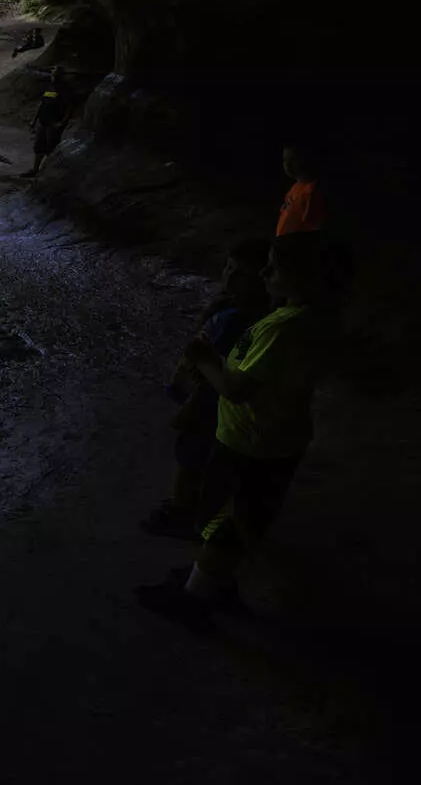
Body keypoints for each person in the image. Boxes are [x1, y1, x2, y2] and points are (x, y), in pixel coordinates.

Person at [135, 231, 350, 631]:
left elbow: (236, 390)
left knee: (224, 520)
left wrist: (206, 360)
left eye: (276, 268)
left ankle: (195, 601)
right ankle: (210, 579)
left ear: (307, 278)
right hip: (279, 437)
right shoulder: (319, 318)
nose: (267, 272)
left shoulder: (284, 328)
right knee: (235, 517)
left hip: (249, 441)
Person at [144, 238, 272, 539]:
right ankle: (189, 505)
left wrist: (188, 405)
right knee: (199, 459)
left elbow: (210, 370)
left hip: (212, 404)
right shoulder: (231, 309)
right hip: (215, 402)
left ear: (261, 280)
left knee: (190, 458)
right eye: (228, 267)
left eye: (240, 273)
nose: (229, 276)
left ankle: (181, 511)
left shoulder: (236, 320)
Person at [23, 68, 69, 177]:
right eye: (53, 74)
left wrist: (62, 122)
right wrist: (34, 120)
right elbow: (41, 104)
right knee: (39, 147)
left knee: (51, 148)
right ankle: (35, 170)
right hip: (43, 121)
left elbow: (69, 107)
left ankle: (48, 173)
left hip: (53, 123)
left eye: (56, 74)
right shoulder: (49, 87)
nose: (53, 76)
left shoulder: (65, 90)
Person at [277, 141, 327, 235]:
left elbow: (313, 229)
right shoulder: (294, 189)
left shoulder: (312, 192)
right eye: (285, 160)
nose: (287, 165)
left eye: (293, 159)